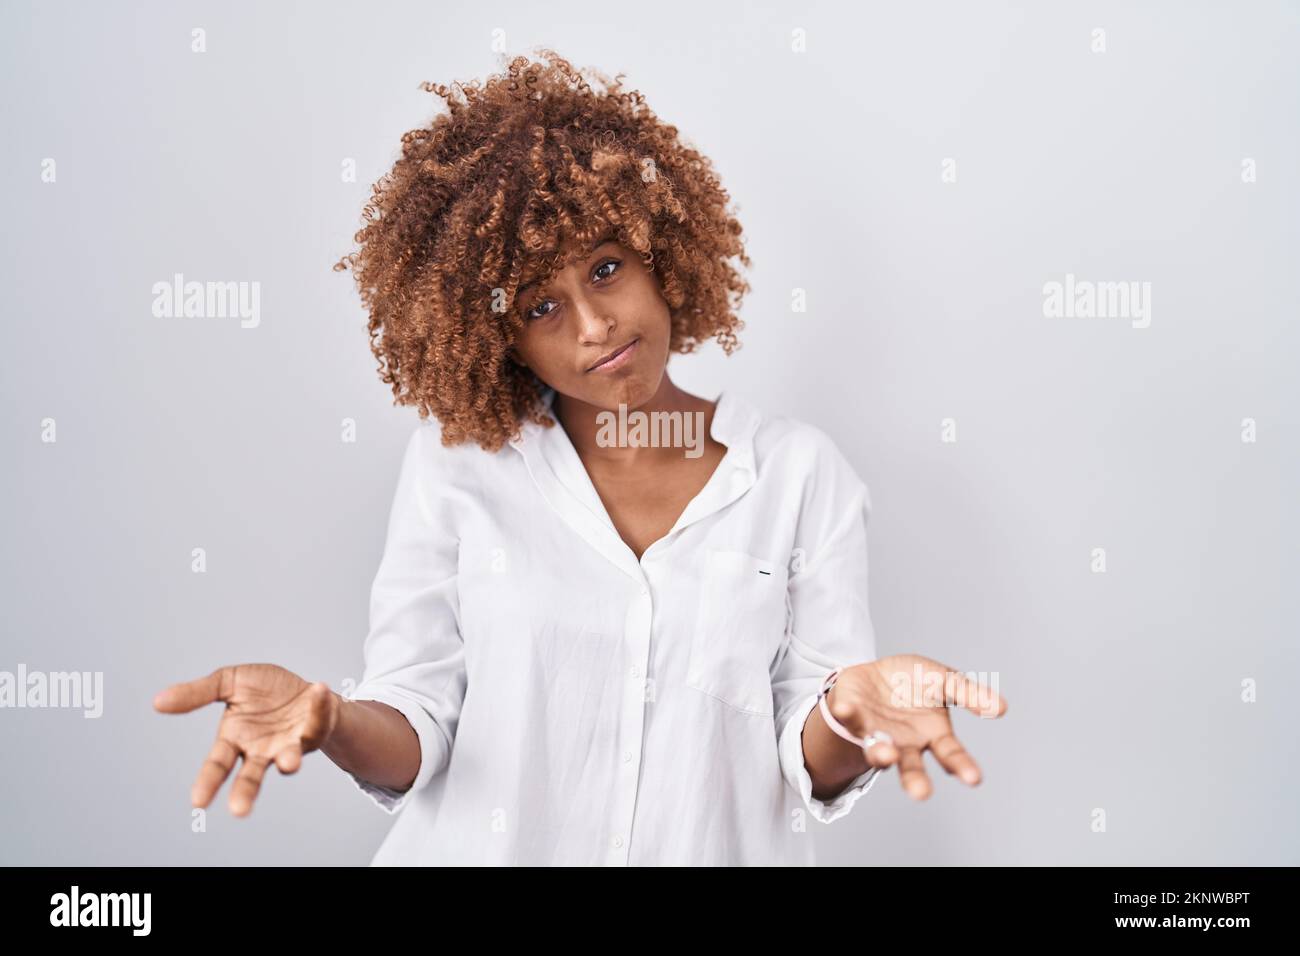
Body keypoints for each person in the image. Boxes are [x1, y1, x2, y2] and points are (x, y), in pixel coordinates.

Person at [153, 49, 1007, 866]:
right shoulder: (456, 468)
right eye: (540, 306)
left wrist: (851, 715)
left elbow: (810, 755)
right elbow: (415, 726)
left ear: (662, 256)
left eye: (606, 268)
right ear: (498, 339)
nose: (594, 326)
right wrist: (333, 720)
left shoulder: (797, 475)